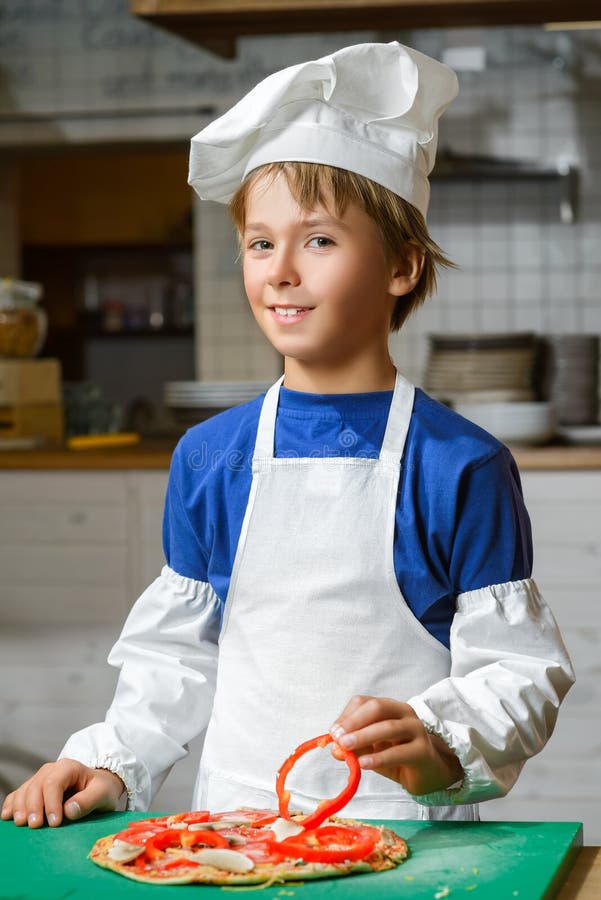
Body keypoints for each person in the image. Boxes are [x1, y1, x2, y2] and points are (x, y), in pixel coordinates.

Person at [2, 42, 574, 830]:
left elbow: (514, 671)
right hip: (235, 837)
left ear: (402, 266)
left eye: (319, 240)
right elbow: (177, 655)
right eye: (260, 242)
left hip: (404, 844)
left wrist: (439, 744)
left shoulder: (459, 465)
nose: (279, 270)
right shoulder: (208, 458)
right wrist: (109, 759)